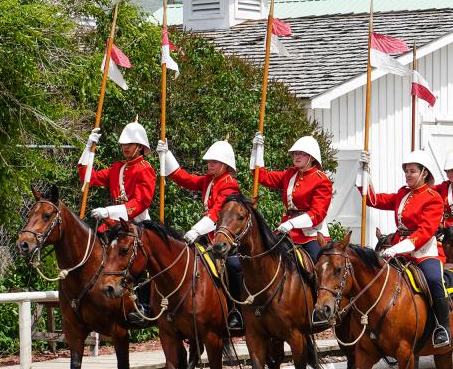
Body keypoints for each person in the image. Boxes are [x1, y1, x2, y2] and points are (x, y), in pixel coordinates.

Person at [358, 149, 450, 347]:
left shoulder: (433, 197)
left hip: (423, 251)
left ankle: (443, 328)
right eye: (406, 171)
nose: (408, 175)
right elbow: (372, 199)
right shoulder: (402, 193)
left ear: (424, 173)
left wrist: (396, 248)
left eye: (413, 171)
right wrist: (363, 173)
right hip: (399, 249)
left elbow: (425, 232)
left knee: (434, 279)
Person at [157, 139, 243, 329]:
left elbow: (217, 213)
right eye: (209, 161)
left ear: (225, 164)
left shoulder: (229, 184)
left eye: (214, 161)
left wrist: (195, 230)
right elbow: (184, 178)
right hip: (208, 235)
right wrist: (166, 154)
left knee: (234, 266)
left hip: (225, 238)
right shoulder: (209, 180)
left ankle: (236, 310)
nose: (209, 164)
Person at [77, 121, 156, 324]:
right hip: (113, 226)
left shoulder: (145, 169)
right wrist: (88, 149)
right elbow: (88, 178)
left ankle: (145, 307)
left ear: (139, 146)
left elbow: (140, 203)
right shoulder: (116, 168)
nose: (125, 147)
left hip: (136, 224)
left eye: (129, 144)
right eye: (123, 144)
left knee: (144, 262)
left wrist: (109, 210)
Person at [250, 134, 332, 262]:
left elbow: (316, 215)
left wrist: (291, 223)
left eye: (301, 154)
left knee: (318, 266)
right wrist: (257, 150)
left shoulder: (321, 180)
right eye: (294, 153)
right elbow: (261, 176)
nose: (296, 156)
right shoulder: (290, 174)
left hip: (311, 233)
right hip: (287, 231)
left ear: (311, 157)